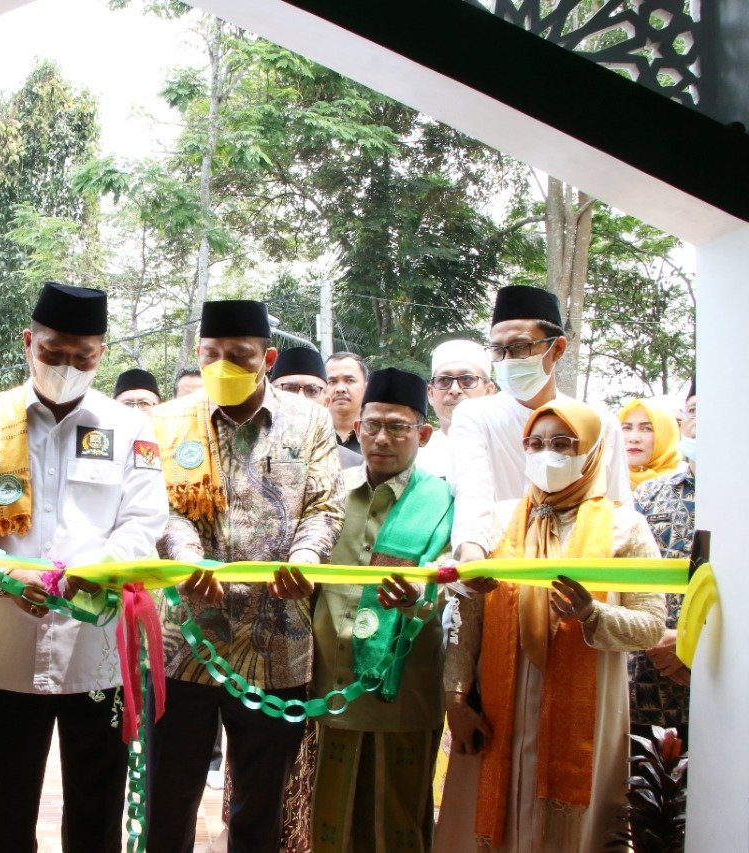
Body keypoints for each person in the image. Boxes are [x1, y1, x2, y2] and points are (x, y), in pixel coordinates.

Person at [0, 282, 168, 852]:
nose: (66, 366)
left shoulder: (131, 428)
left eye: (82, 356)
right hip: (6, 652)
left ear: (101, 353)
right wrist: (2, 575)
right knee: (6, 815)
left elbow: (143, 521)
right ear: (28, 342)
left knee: (96, 814)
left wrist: (94, 568)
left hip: (96, 655)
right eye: (52, 352)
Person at [148, 299, 345, 853]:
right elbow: (158, 506)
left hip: (276, 639)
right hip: (184, 640)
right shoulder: (167, 420)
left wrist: (306, 558)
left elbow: (325, 507)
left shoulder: (309, 423)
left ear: (268, 357)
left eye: (239, 356)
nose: (223, 366)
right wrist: (187, 556)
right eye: (212, 355)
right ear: (197, 353)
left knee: (261, 801)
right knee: (171, 790)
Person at [436, 399, 665, 851]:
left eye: (563, 444)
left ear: (594, 451)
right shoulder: (496, 521)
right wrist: (456, 697)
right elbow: (467, 611)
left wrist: (592, 615)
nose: (547, 454)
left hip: (587, 699)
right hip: (500, 699)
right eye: (535, 443)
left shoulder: (625, 527)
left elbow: (651, 625)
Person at [304, 367, 453, 852]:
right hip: (330, 680)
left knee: (399, 818)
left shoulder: (443, 501)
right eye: (372, 425)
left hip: (405, 685)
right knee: (329, 813)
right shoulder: (328, 491)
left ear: (423, 434)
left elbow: (454, 584)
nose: (381, 438)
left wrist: (419, 597)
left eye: (398, 427)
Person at [449, 285, 630, 565]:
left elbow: (616, 504)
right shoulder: (475, 415)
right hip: (497, 564)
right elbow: (473, 491)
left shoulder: (599, 422)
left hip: (577, 573)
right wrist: (472, 551)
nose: (508, 360)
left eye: (520, 347)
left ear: (557, 348)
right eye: (498, 350)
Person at [629, 381, 697, 748]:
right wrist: (659, 638)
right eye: (695, 410)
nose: (702, 423)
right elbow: (623, 582)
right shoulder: (649, 495)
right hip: (647, 687)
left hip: (721, 684)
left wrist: (694, 647)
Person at [274, 346, 362, 468]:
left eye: (312, 391)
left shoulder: (355, 465)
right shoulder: (248, 454)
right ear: (271, 396)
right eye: (290, 389)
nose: (301, 398)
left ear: (326, 403)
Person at [418, 339, 493, 479]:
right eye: (444, 380)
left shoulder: (510, 448)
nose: (454, 390)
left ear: (489, 391)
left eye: (467, 379)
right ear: (431, 393)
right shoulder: (414, 459)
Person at [618, 397, 681, 489]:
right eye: (627, 428)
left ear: (665, 435)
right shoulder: (606, 481)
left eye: (647, 429)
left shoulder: (686, 481)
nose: (634, 438)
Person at [325, 351, 368, 453]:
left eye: (349, 380)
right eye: (332, 381)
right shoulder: (311, 436)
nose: (340, 389)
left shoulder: (376, 437)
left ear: (366, 388)